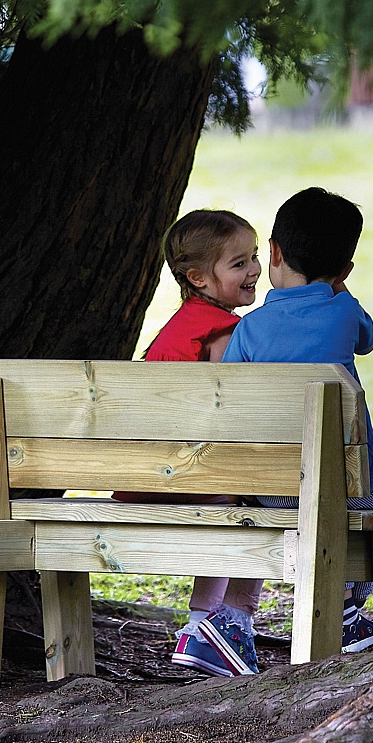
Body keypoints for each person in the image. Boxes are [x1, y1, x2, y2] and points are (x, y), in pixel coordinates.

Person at [210, 187, 373, 660]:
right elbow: (368, 340)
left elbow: (226, 393)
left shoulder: (250, 327)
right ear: (345, 272)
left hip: (269, 482)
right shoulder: (344, 310)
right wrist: (340, 288)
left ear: (273, 251)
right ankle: (348, 613)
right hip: (344, 481)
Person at [114, 209, 263, 678]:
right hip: (182, 476)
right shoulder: (221, 331)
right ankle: (226, 624)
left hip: (142, 475)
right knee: (254, 499)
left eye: (254, 257)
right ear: (198, 277)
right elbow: (230, 409)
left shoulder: (181, 325)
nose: (254, 270)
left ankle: (202, 630)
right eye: (238, 263)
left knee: (235, 493)